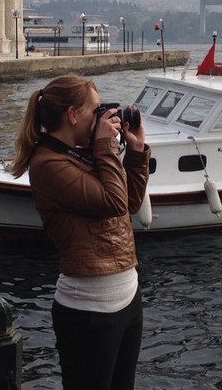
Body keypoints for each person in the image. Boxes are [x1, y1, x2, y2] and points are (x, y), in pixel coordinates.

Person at [11, 74, 151, 390]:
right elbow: (113, 201)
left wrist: (136, 151)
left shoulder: (83, 154)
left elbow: (128, 203)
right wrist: (104, 144)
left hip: (127, 298)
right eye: (96, 110)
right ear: (73, 115)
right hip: (89, 309)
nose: (102, 117)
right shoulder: (48, 164)